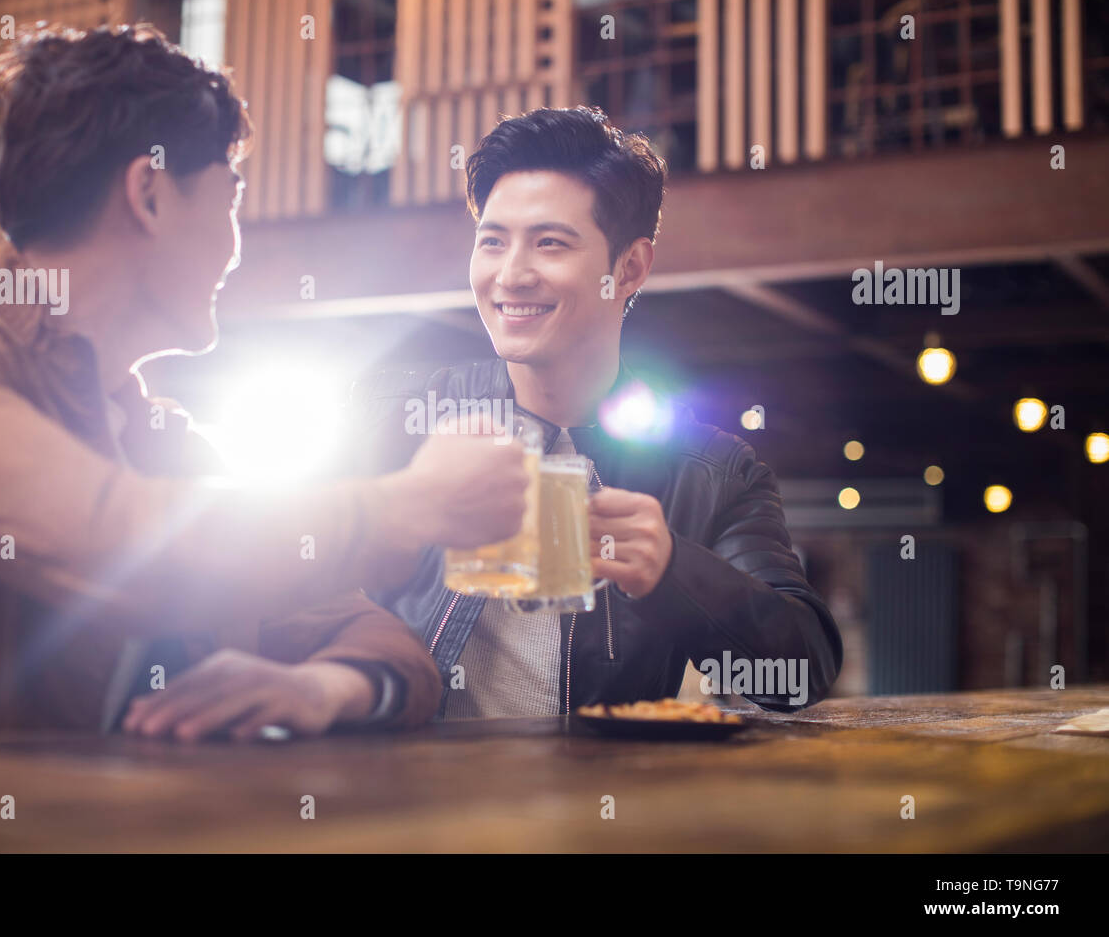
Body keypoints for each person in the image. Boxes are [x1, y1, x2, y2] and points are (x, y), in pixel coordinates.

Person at [0, 24, 529, 740]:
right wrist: (407, 505)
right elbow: (116, 548)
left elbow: (372, 636)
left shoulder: (158, 436)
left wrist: (322, 684)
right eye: (230, 197)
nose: (235, 245)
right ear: (150, 192)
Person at [346, 107, 843, 718]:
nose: (511, 274)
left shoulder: (710, 471)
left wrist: (672, 572)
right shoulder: (396, 419)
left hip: (601, 803)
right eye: (492, 242)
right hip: (413, 798)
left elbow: (798, 676)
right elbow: (281, 583)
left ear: (629, 268)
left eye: (550, 243)